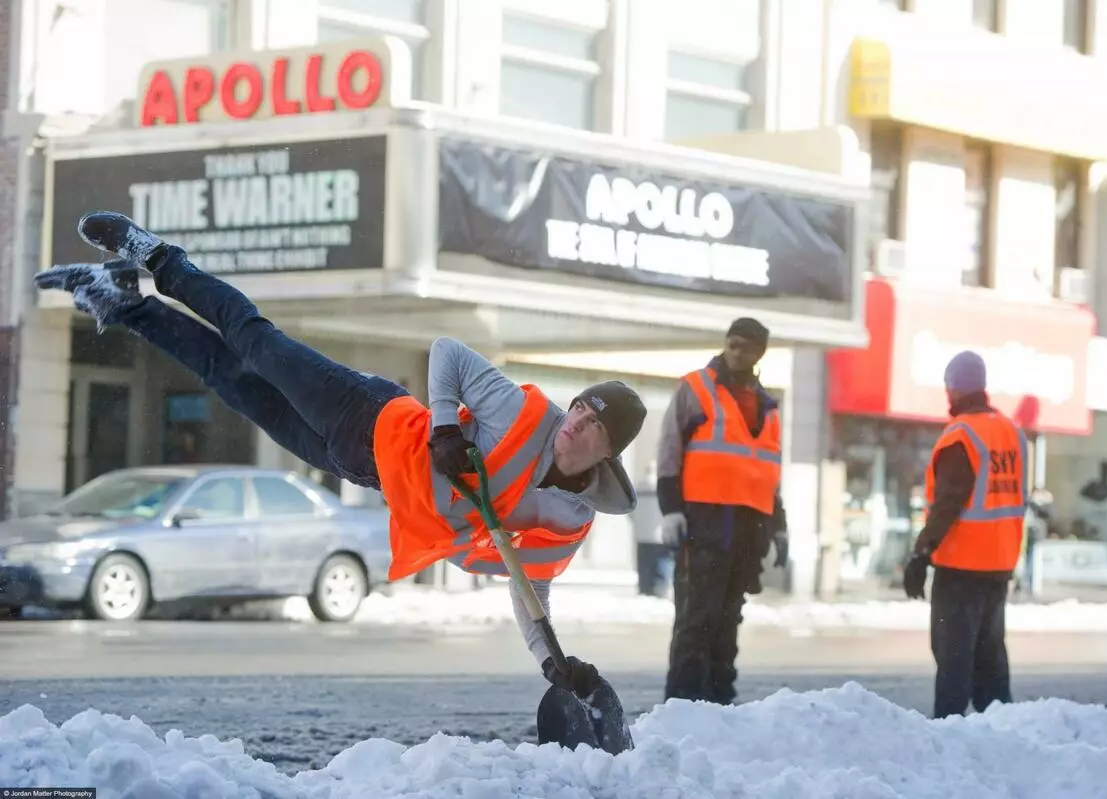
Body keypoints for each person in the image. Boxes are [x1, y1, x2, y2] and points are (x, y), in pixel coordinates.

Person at [36, 211, 648, 698]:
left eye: (593, 425)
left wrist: (551, 662)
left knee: (230, 381)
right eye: (579, 409)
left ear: (608, 453)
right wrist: (444, 428)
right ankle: (158, 258)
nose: (575, 424)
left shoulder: (566, 523)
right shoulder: (524, 413)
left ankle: (123, 304)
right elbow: (448, 352)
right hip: (365, 411)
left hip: (355, 465)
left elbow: (529, 590)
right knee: (253, 341)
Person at [656, 317, 788, 704]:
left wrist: (779, 527)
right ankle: (682, 704)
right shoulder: (696, 388)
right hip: (703, 521)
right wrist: (670, 509)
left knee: (729, 619)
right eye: (731, 344)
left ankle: (719, 705)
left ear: (759, 353)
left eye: (745, 346)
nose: (736, 352)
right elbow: (668, 449)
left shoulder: (767, 405)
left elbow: (768, 472)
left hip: (749, 527)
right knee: (696, 618)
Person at [902, 350, 1029, 719]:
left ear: (953, 389)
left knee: (953, 655)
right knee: (990, 655)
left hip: (961, 566)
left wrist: (921, 554)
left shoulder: (961, 436)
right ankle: (1000, 728)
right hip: (999, 563)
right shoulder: (1011, 432)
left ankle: (949, 732)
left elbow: (948, 503)